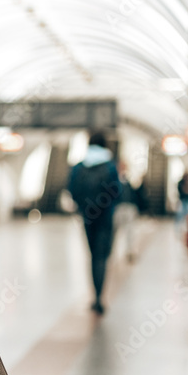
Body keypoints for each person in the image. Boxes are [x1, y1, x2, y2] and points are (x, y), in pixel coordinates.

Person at [67, 132, 123, 314]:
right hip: (106, 218)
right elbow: (117, 191)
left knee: (92, 256)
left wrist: (84, 208)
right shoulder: (110, 166)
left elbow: (72, 190)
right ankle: (100, 296)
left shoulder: (79, 167)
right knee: (102, 257)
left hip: (87, 217)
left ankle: (95, 296)